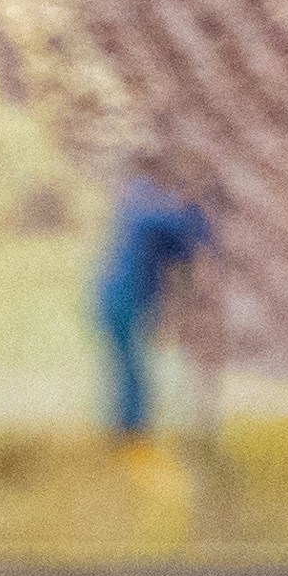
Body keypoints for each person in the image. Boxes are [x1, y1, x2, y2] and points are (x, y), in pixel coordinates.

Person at [94, 164, 216, 442]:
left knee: (128, 368)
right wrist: (198, 216)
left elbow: (171, 256)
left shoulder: (137, 207)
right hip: (124, 297)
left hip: (114, 295)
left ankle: (128, 432)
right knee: (133, 370)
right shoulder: (154, 213)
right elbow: (187, 236)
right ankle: (132, 436)